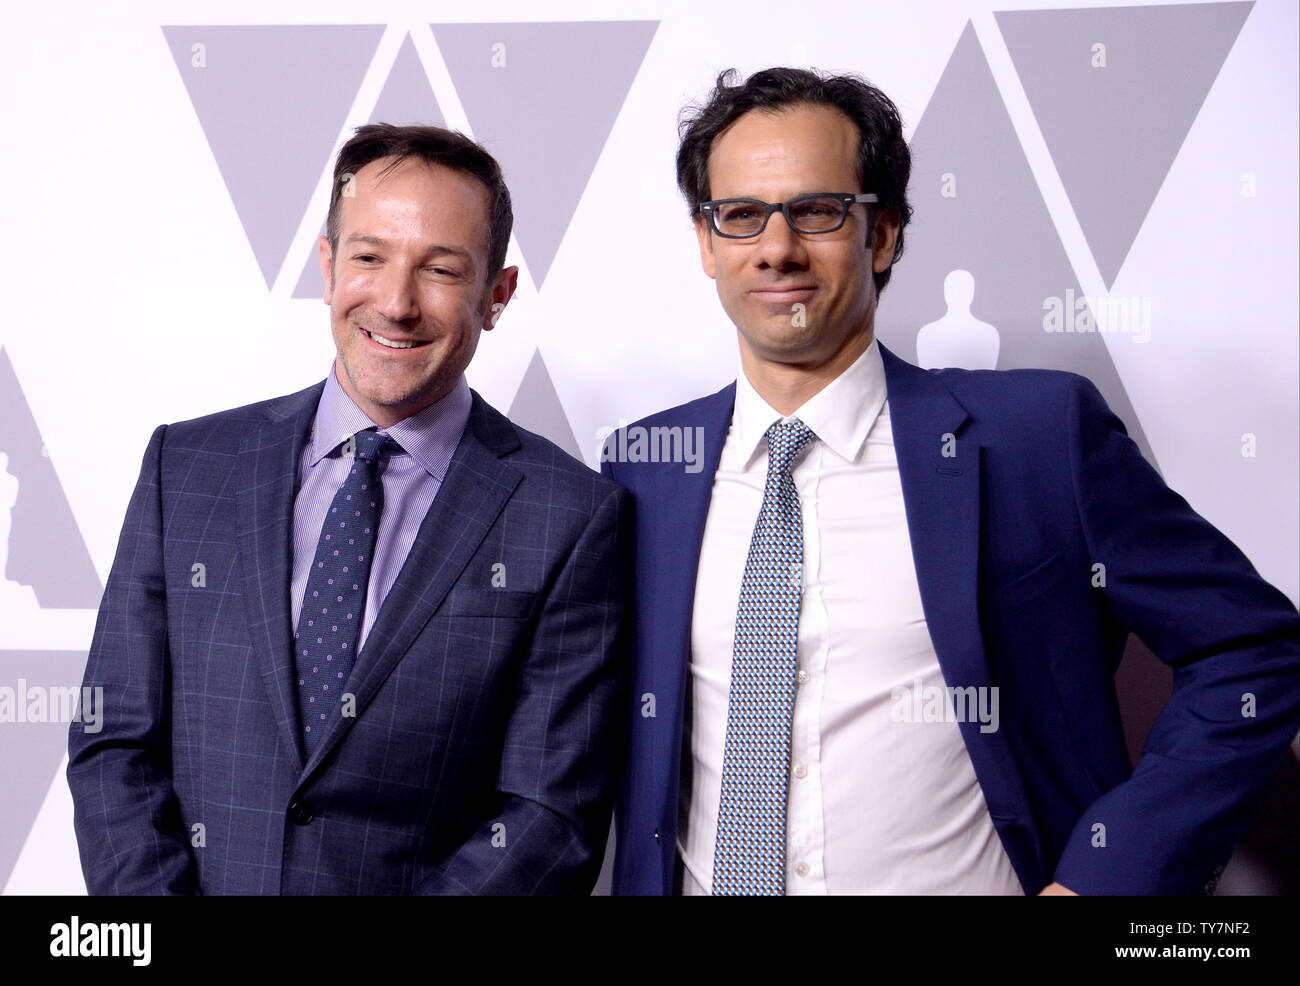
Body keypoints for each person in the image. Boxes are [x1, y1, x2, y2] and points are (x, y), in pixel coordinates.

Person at [602, 67, 1300, 895]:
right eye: (742, 215)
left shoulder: (1038, 436)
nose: (777, 248)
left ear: (885, 234)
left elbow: (1250, 646)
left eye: (818, 212)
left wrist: (1107, 877)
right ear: (708, 243)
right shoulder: (643, 467)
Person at [68, 123, 630, 895]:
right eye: (369, 257)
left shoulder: (569, 515)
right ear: (329, 266)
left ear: (496, 296)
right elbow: (114, 743)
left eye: (440, 269)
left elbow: (548, 813)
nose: (396, 304)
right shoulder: (186, 467)